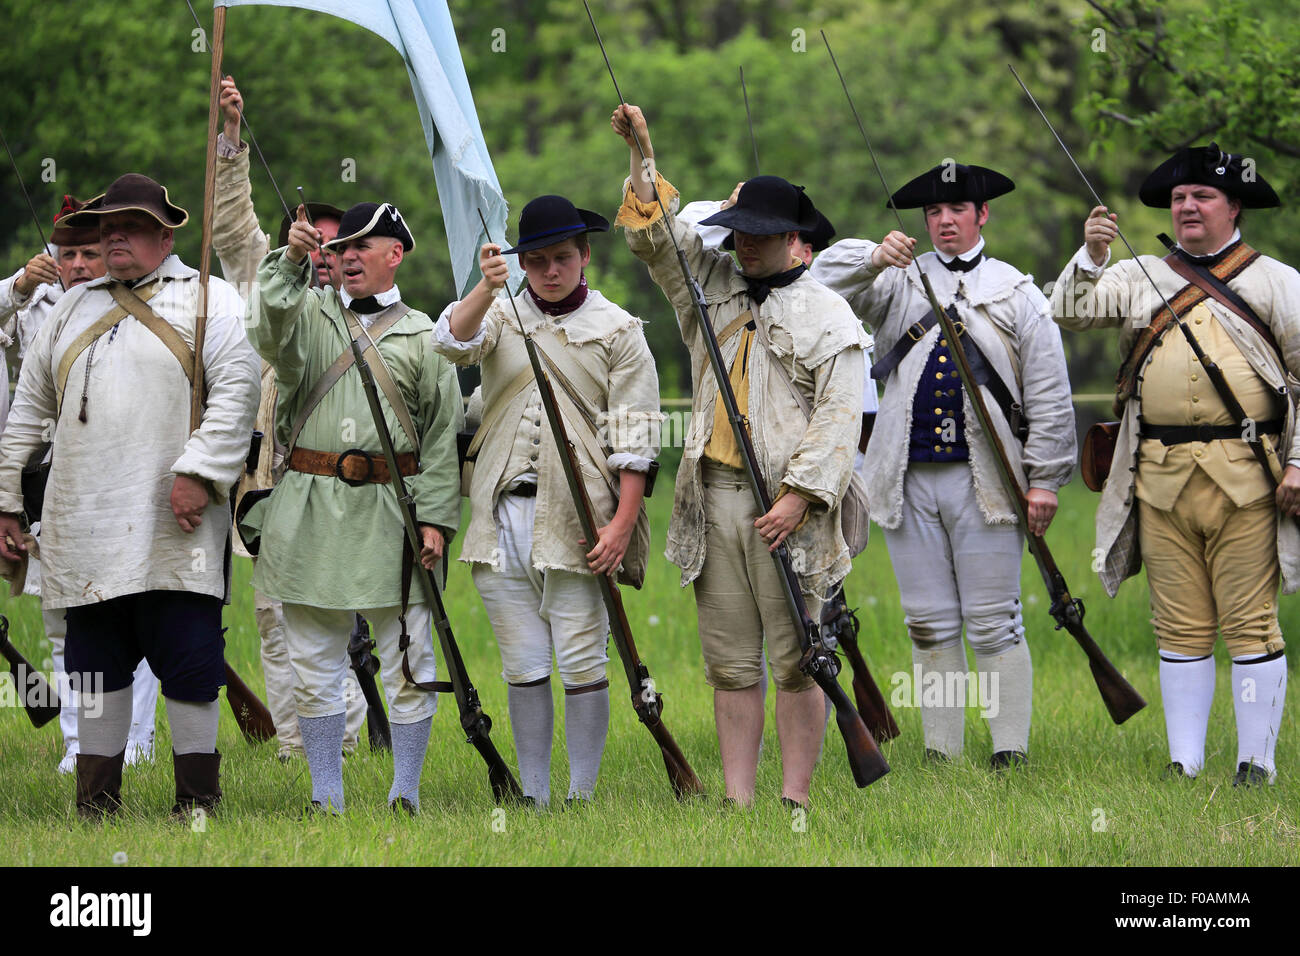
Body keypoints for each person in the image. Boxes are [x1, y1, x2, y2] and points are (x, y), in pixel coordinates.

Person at [612, 104, 867, 809]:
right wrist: (643, 153)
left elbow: (840, 421)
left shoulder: (830, 318)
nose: (744, 248)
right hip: (715, 494)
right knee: (729, 665)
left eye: (758, 238)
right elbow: (656, 238)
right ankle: (738, 800)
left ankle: (794, 800)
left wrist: (798, 497)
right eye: (738, 236)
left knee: (796, 663)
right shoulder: (709, 287)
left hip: (794, 507)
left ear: (795, 241)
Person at [0, 173, 261, 818]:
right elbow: (28, 414)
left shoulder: (211, 298)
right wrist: (6, 500)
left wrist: (199, 472)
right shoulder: (67, 308)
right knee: (94, 665)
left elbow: (237, 391)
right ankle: (96, 804)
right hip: (82, 518)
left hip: (177, 523)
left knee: (192, 664)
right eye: (107, 225)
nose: (116, 235)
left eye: (133, 226)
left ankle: (197, 803)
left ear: (167, 234)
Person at [812, 162, 1076, 769]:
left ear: (982, 215)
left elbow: (1049, 394)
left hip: (989, 483)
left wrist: (1045, 480)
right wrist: (874, 256)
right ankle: (943, 753)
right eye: (934, 212)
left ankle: (1009, 749)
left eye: (957, 210)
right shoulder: (898, 280)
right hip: (907, 478)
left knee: (994, 620)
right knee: (928, 623)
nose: (944, 221)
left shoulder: (1017, 291)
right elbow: (818, 283)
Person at [1050, 144, 1294, 785]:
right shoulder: (1136, 274)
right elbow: (1071, 311)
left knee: (1249, 622)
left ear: (1233, 207)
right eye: (1179, 198)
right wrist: (1094, 256)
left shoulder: (1278, 282)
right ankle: (1184, 760)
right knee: (1179, 624)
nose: (1187, 206)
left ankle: (1256, 761)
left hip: (1249, 474)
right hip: (1156, 474)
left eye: (1202, 196)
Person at [433, 194, 660, 807]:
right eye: (535, 261)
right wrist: (486, 285)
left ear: (584, 256)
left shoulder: (619, 329)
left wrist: (621, 524)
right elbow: (450, 343)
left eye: (561, 258)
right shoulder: (498, 313)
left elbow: (635, 438)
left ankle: (580, 796)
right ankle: (534, 794)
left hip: (580, 514)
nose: (550, 271)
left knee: (583, 658)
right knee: (523, 661)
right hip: (499, 510)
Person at [245, 200, 462, 813]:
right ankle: (326, 795)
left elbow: (442, 438)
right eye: (339, 249)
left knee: (410, 660)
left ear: (395, 255)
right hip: (310, 508)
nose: (346, 258)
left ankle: (406, 792)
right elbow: (263, 326)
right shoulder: (306, 316)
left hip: (394, 514)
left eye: (361, 248)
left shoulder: (425, 335)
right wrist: (289, 260)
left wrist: (436, 520)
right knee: (311, 661)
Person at [211, 75, 365, 760]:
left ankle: (350, 743)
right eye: (314, 243)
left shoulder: (375, 308)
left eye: (338, 245)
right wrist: (233, 136)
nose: (326, 256)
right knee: (274, 620)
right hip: (270, 483)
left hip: (345, 485)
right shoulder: (265, 281)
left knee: (336, 623)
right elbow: (228, 220)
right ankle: (296, 749)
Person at [0, 197, 162, 773]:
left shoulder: (151, 301)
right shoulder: (34, 307)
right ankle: (79, 742)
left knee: (134, 618)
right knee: (64, 619)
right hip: (52, 489)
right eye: (66, 253)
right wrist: (19, 287)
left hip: (128, 483)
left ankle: (136, 740)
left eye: (89, 252)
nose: (76, 263)